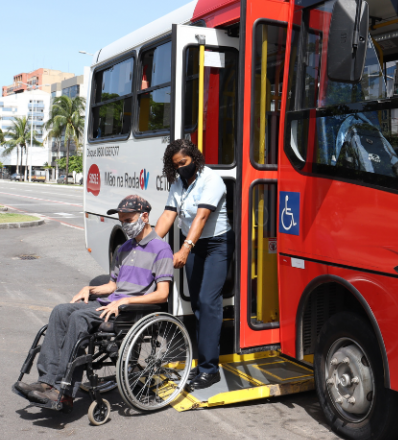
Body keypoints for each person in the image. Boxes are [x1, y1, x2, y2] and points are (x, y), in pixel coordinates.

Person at [13, 195, 173, 405]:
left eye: (128, 220)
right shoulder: (123, 249)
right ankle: (46, 381)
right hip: (112, 303)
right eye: (121, 221)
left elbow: (163, 293)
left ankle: (64, 390)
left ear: (144, 216)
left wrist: (124, 302)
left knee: (79, 318)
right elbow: (113, 286)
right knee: (61, 310)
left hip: (133, 310)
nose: (124, 225)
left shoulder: (161, 249)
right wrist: (90, 289)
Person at [155, 139, 234, 391]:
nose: (181, 169)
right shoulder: (178, 183)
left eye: (184, 163)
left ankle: (210, 370)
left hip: (216, 245)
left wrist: (185, 248)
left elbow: (201, 216)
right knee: (198, 304)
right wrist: (148, 246)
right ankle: (202, 363)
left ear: (195, 159)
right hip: (195, 244)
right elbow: (168, 214)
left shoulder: (211, 180)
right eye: (176, 165)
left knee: (209, 303)